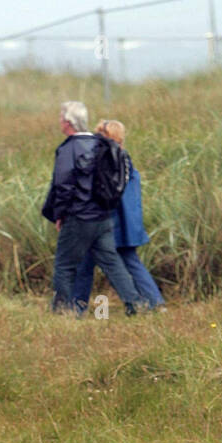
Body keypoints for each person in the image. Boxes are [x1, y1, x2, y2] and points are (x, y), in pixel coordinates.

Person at [41, 101, 141, 315]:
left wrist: (59, 214)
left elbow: (63, 186)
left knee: (64, 264)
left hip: (79, 217)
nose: (59, 121)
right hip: (103, 217)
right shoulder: (100, 144)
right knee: (112, 263)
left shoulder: (69, 148)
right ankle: (135, 304)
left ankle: (61, 311)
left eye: (60, 118)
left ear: (68, 123)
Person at [73, 119, 165, 314]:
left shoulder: (110, 159)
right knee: (128, 261)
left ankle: (76, 306)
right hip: (125, 223)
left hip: (109, 221)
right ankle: (153, 301)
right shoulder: (124, 158)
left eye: (100, 134)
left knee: (86, 261)